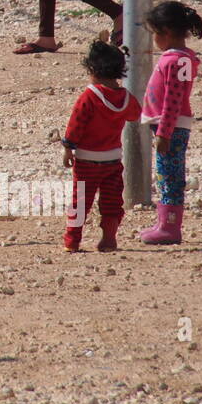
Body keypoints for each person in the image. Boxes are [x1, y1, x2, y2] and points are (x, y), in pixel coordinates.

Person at [61, 41, 142, 253]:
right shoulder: (126, 98)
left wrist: (68, 148)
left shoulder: (89, 96)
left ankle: (72, 241)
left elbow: (76, 125)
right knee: (111, 203)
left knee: (80, 203)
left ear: (93, 69)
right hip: (113, 161)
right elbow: (136, 114)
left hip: (87, 161)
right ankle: (109, 240)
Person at [138, 1, 202, 245]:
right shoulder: (182, 58)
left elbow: (175, 100)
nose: (154, 39)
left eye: (155, 33)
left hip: (171, 128)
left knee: (170, 177)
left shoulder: (177, 61)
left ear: (165, 32)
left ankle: (170, 228)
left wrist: (164, 133)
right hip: (170, 126)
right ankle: (163, 223)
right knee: (165, 175)